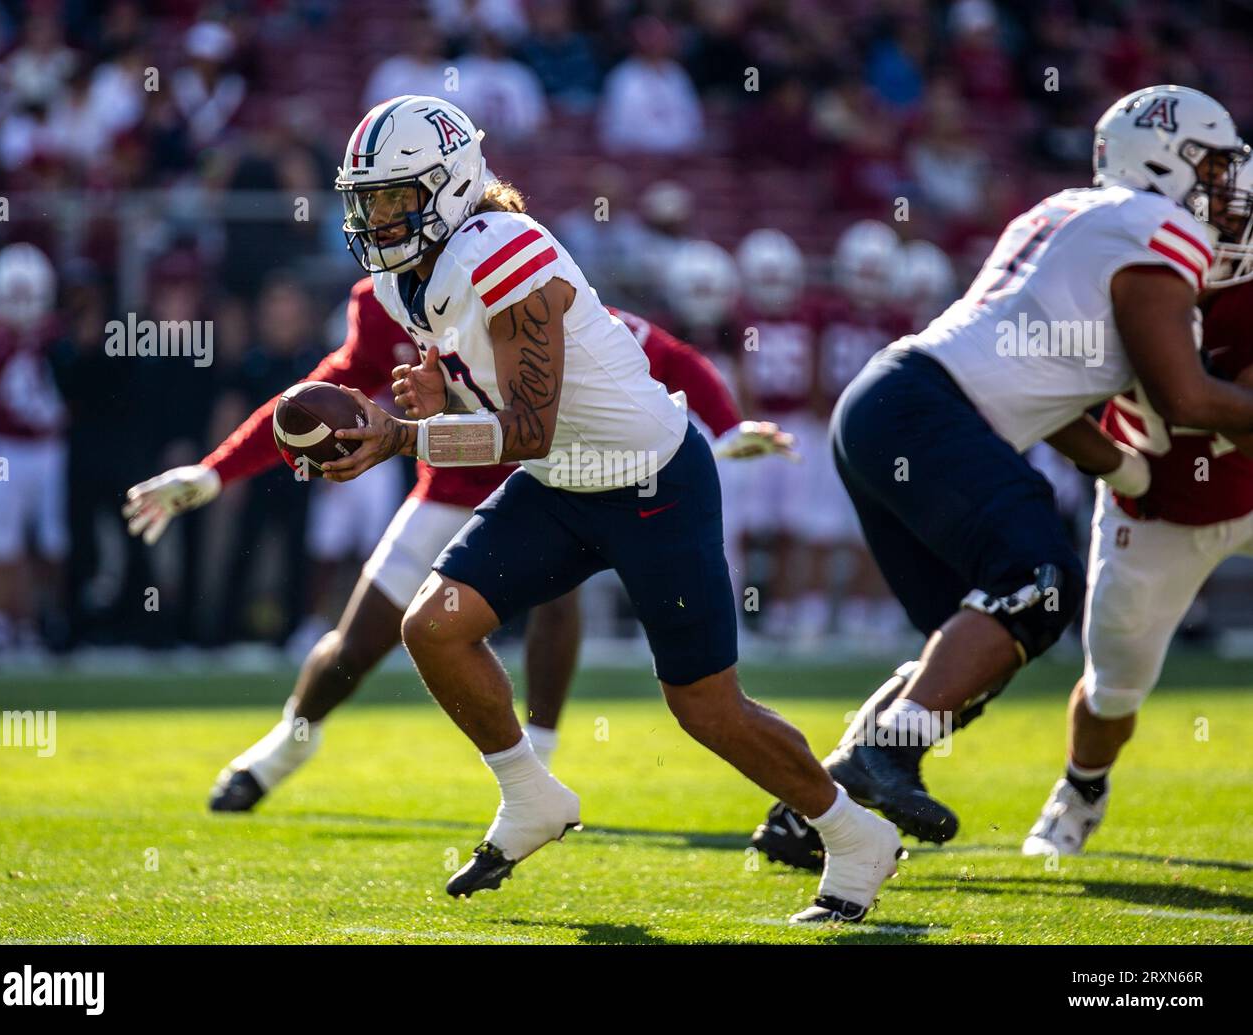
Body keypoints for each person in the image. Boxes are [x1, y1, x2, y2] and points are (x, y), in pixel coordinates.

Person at [323, 94, 900, 922]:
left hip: (650, 482)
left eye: (392, 199)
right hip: (564, 482)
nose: (376, 218)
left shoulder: (501, 251)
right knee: (435, 627)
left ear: (447, 188)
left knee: (706, 706)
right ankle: (531, 795)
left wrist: (402, 435)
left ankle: (853, 835)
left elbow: (524, 426)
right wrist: (438, 390)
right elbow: (492, 386)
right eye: (366, 201)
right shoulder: (409, 275)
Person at [750, 84, 1253, 869]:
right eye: (1213, 166)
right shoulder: (1154, 227)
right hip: (932, 414)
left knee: (980, 626)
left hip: (889, 403)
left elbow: (1044, 393)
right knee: (1039, 584)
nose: (1227, 184)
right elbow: (1184, 395)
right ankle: (882, 753)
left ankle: (820, 809)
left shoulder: (1064, 213)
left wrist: (1125, 468)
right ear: (1162, 162)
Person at [1023, 177, 1253, 855]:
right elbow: (1040, 394)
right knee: (1113, 688)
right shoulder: (1102, 278)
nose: (1231, 209)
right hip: (1155, 505)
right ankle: (1082, 786)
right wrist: (1118, 467)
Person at [0, 243, 69, 655]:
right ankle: (0, 625)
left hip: (48, 448)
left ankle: (40, 622)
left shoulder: (56, 336)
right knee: (1, 541)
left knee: (51, 541)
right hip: (4, 448)